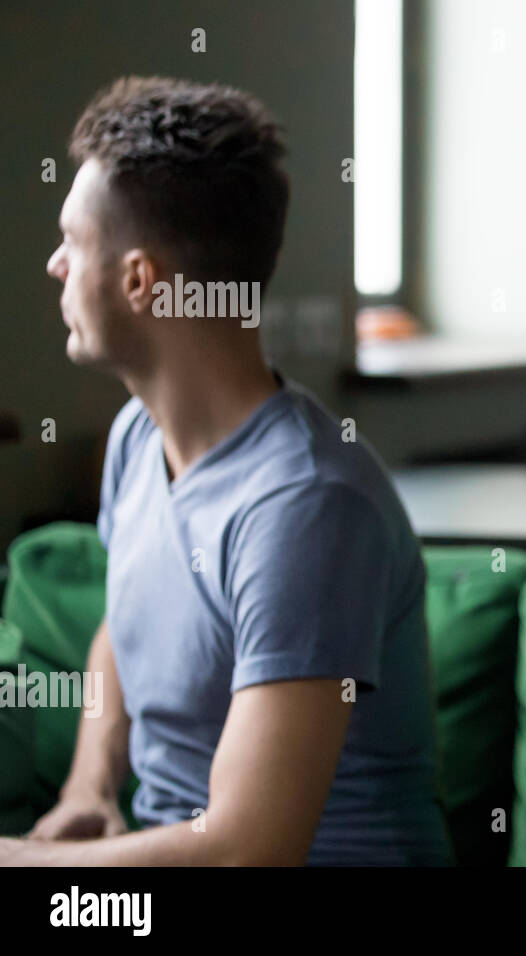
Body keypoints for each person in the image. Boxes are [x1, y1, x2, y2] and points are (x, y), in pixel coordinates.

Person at [0, 76, 452, 865]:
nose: (54, 265)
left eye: (73, 243)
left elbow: (250, 850)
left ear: (141, 282)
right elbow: (127, 618)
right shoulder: (139, 438)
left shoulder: (305, 504)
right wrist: (88, 787)